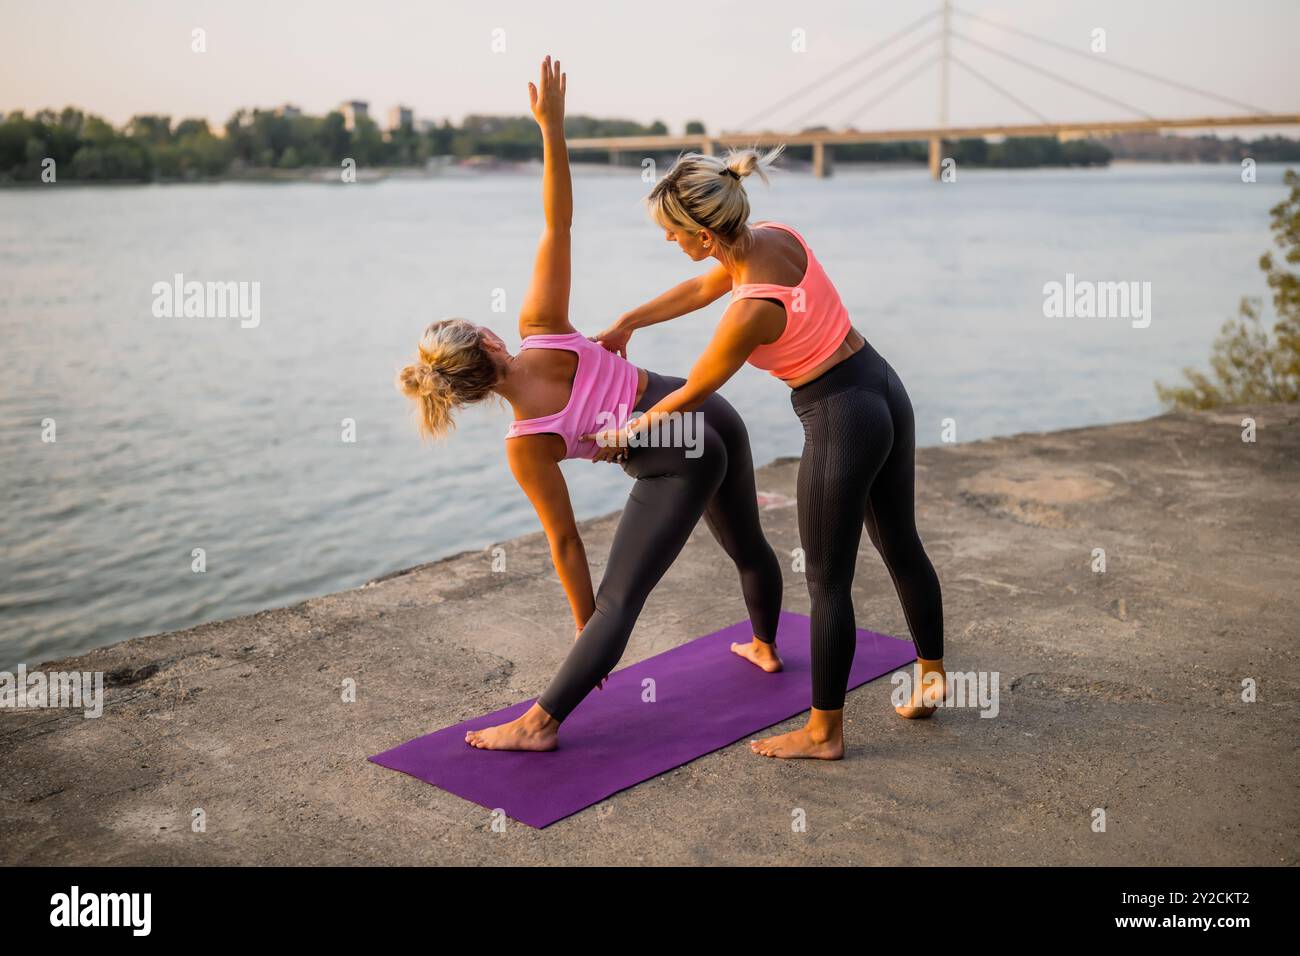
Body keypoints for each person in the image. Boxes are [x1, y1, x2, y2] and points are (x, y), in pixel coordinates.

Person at [396, 57, 783, 751]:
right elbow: (558, 222)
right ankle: (764, 647)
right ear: (487, 339)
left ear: (465, 392)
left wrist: (585, 621)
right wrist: (552, 130)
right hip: (701, 409)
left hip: (676, 455)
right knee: (747, 545)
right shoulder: (542, 324)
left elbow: (567, 542)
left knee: (618, 604)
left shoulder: (528, 442)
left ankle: (540, 724)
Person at [589, 145, 945, 760]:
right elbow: (705, 285)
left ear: (703, 232)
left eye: (673, 235)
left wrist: (630, 430)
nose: (671, 244)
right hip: (881, 385)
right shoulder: (775, 238)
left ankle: (824, 732)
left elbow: (700, 387)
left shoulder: (751, 310)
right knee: (901, 542)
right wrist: (628, 320)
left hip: (840, 418)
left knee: (828, 582)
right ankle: (933, 674)